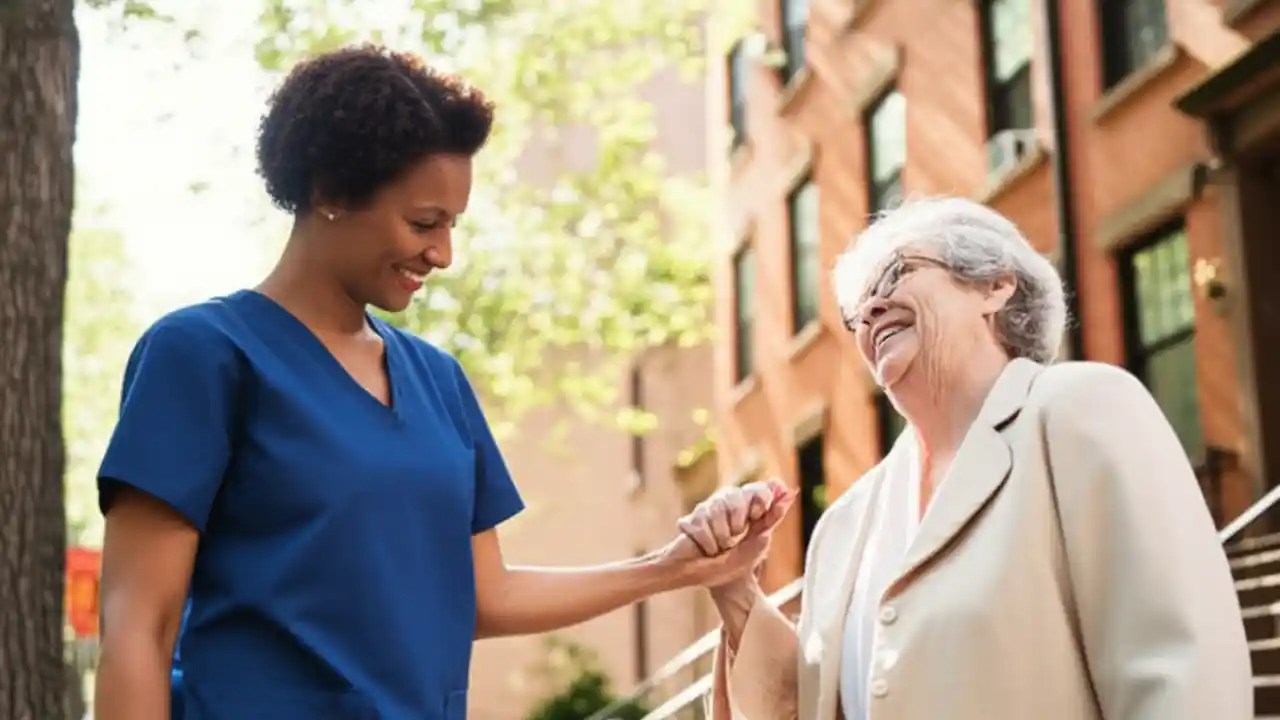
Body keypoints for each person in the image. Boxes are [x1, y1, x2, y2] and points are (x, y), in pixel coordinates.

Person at [92, 45, 796, 720]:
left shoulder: (437, 381)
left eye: (453, 224)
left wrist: (673, 569)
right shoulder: (202, 356)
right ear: (330, 192)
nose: (444, 253)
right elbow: (138, 628)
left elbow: (485, 596)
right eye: (424, 222)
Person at [678, 197, 1252, 719]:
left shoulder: (1078, 410)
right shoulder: (844, 524)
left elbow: (1179, 672)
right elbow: (808, 707)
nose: (872, 310)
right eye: (858, 310)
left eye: (897, 274)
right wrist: (736, 593)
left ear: (995, 286)